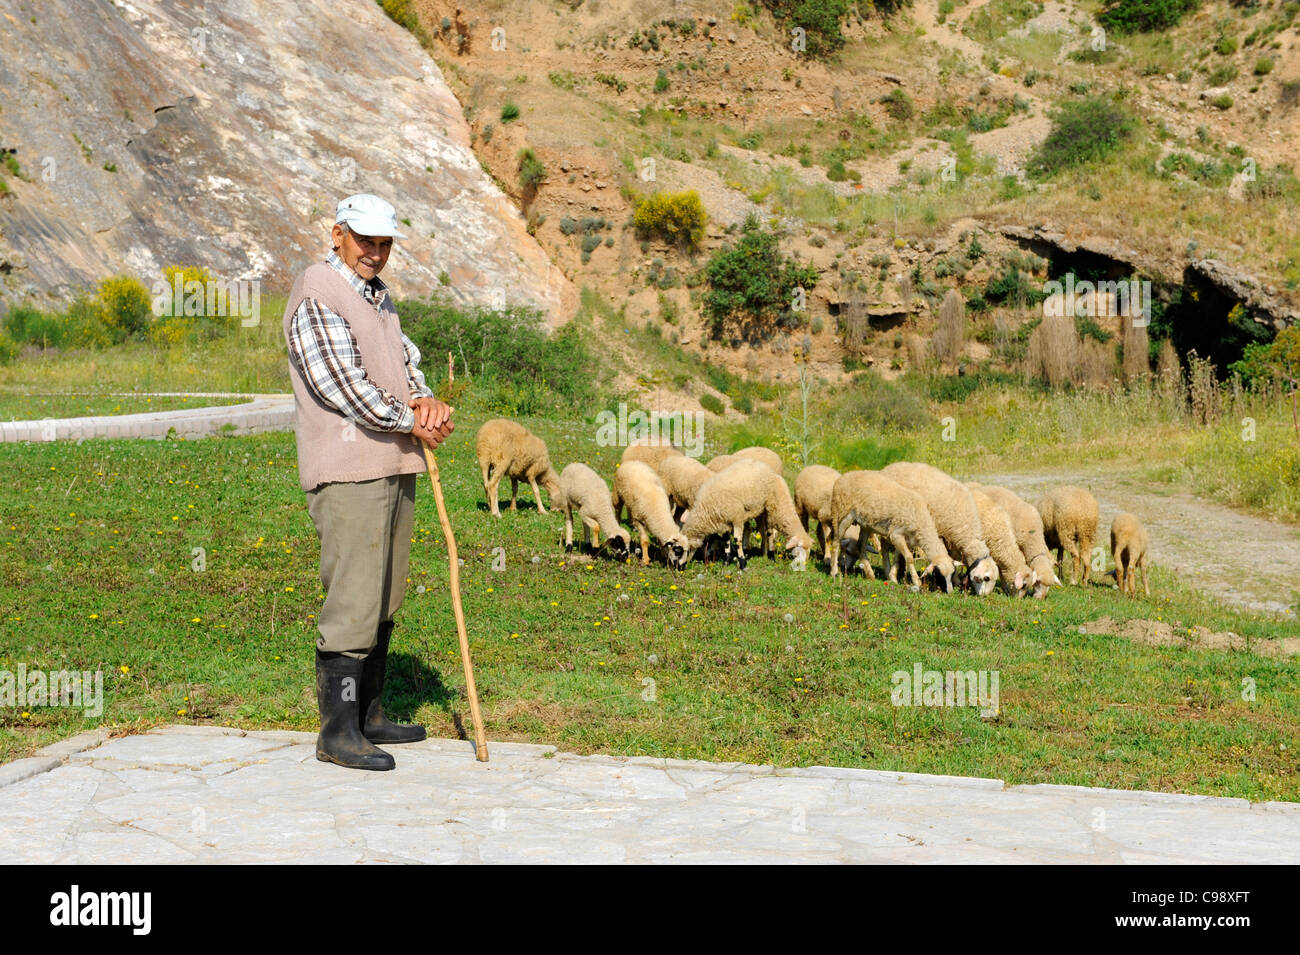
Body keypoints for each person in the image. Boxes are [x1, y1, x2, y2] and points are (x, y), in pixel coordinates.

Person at [283, 193, 453, 771]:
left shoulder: (377, 297)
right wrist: (411, 418)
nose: (376, 254)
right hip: (350, 467)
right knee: (354, 595)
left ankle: (369, 715)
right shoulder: (317, 293)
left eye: (384, 244)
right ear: (337, 234)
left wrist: (425, 400)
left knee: (385, 591)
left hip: (394, 461)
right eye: (365, 242)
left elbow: (406, 362)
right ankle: (338, 732)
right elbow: (343, 386)